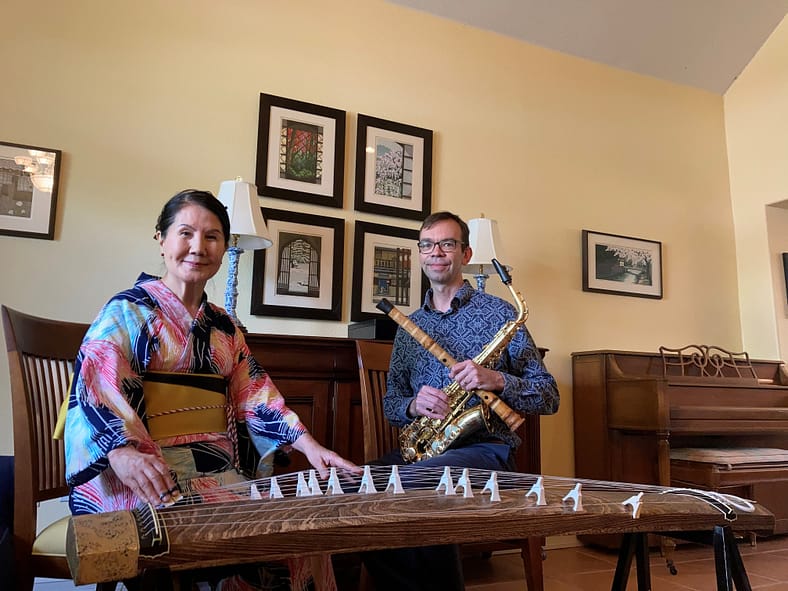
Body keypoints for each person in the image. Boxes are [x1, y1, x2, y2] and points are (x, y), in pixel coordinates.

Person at [64, 189, 359, 590]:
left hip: (215, 472)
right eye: (185, 233)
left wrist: (308, 444)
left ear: (223, 248)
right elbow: (96, 391)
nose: (197, 248)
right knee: (195, 530)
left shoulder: (223, 326)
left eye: (212, 237)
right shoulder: (125, 311)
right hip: (139, 473)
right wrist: (121, 452)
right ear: (161, 239)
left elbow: (254, 391)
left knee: (300, 531)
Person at [363, 211, 559, 591]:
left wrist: (497, 378)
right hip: (424, 448)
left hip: (488, 451)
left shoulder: (500, 314)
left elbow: (548, 395)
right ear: (420, 255)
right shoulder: (409, 328)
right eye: (427, 244)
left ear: (466, 254)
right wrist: (413, 406)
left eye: (447, 244)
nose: (436, 252)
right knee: (357, 485)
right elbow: (391, 404)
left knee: (420, 483)